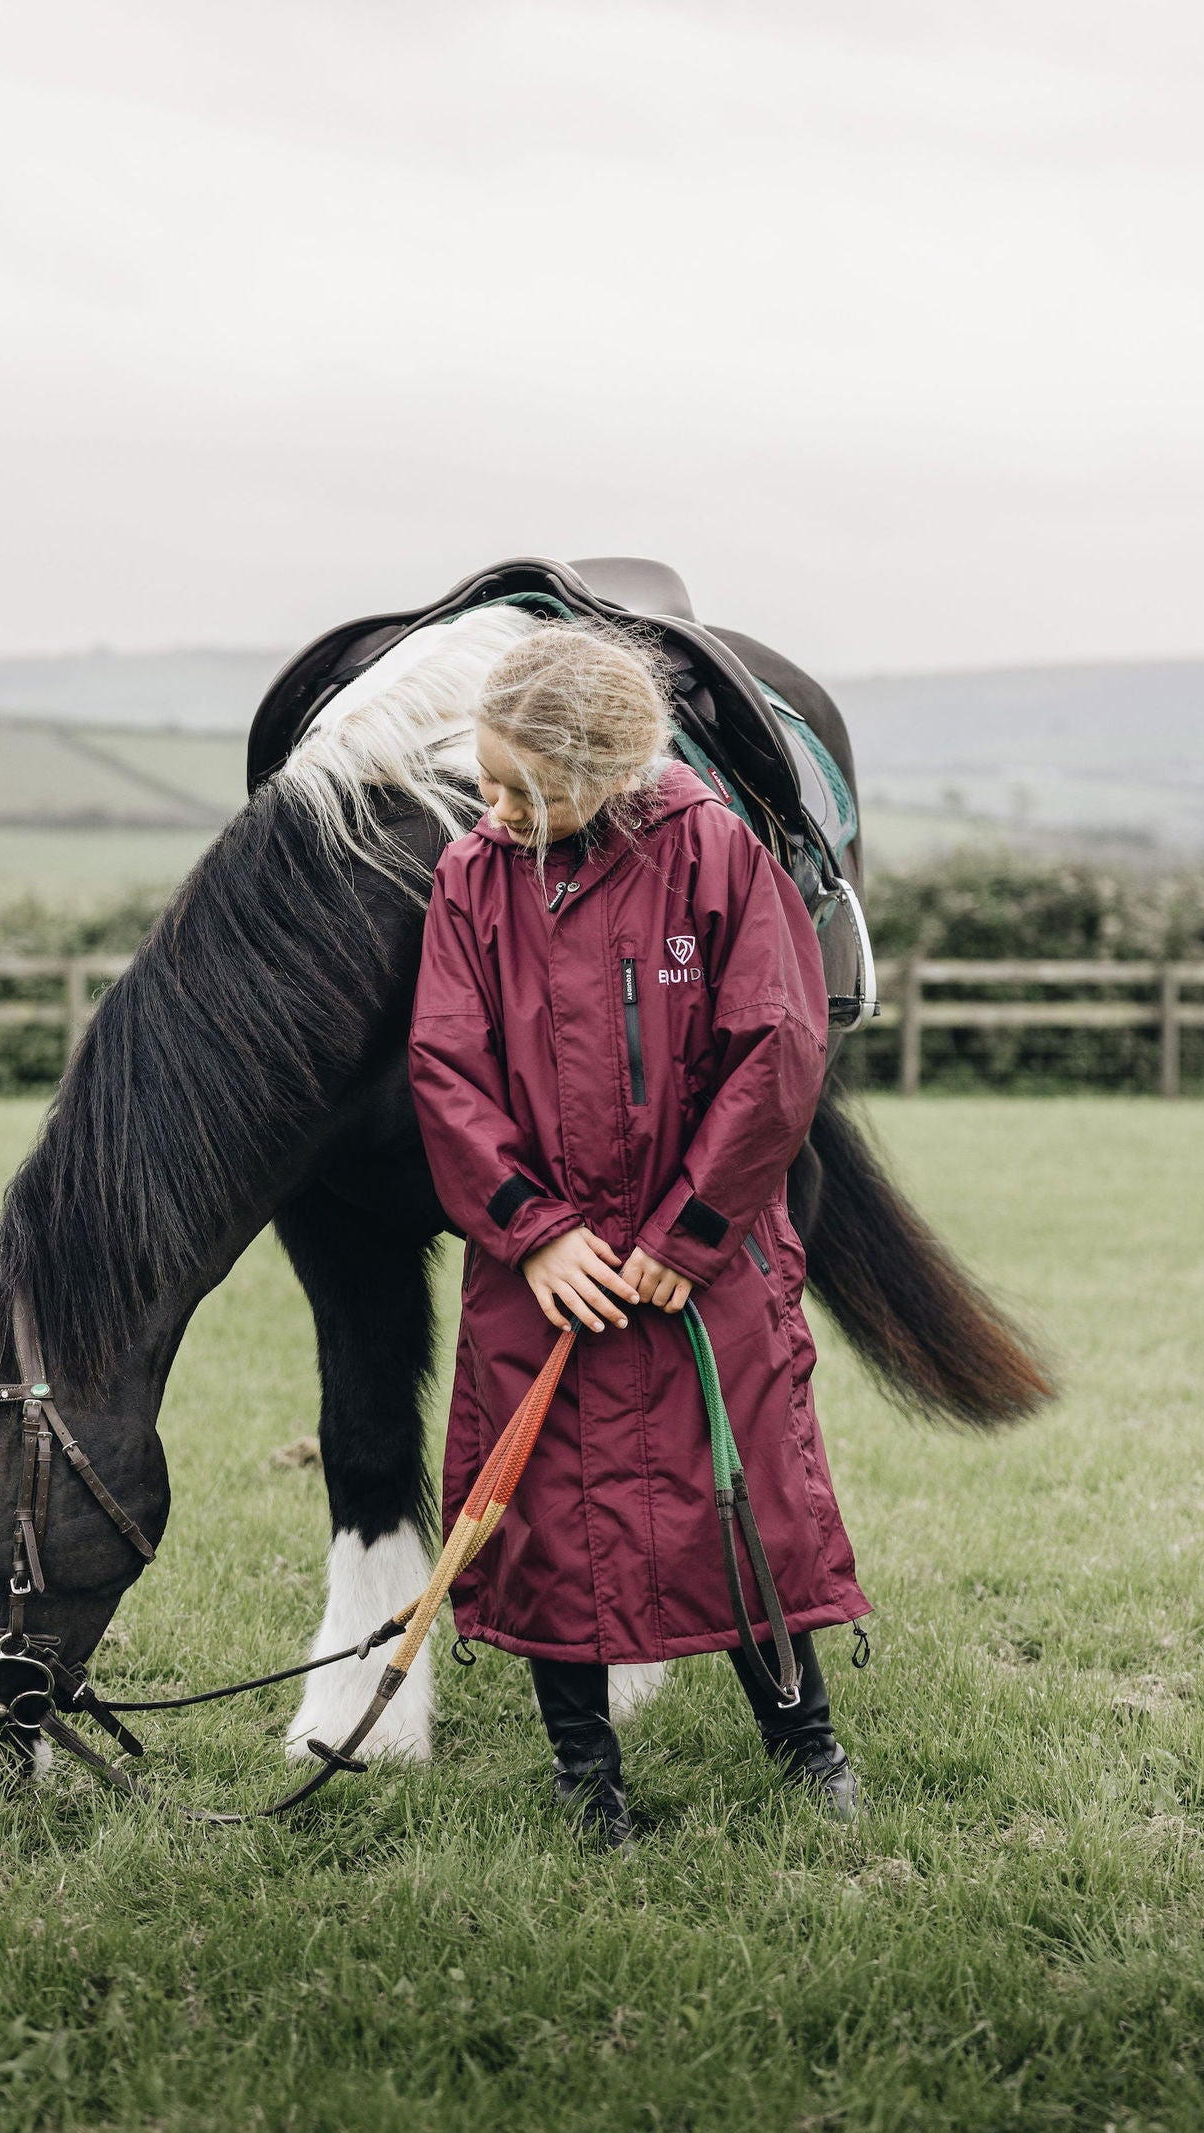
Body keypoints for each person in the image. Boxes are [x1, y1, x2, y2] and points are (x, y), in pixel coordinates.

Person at [407, 620, 870, 1846]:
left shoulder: (713, 855)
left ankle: (805, 1740)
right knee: (544, 1514)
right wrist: (534, 1231)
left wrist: (691, 1229)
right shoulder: (470, 877)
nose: (493, 808)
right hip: (543, 1275)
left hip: (704, 1267)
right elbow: (446, 1068)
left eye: (522, 787)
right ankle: (583, 1771)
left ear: (601, 776)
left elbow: (776, 1050)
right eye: (485, 778)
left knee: (743, 1498)